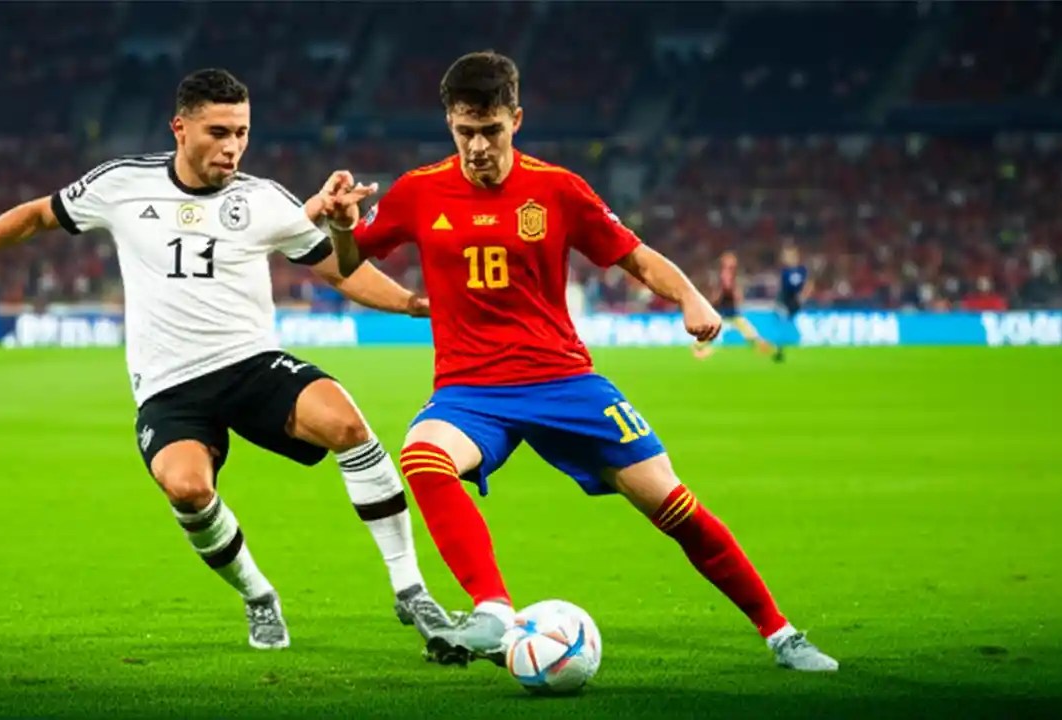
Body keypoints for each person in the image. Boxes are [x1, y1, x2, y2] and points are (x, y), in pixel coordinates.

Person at [321, 51, 838, 672]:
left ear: (517, 118)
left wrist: (691, 295)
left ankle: (780, 632)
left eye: (491, 131)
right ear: (449, 124)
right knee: (423, 455)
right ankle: (491, 610)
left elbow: (637, 257)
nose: (479, 147)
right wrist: (348, 230)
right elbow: (346, 265)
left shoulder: (558, 189)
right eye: (465, 132)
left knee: (671, 504)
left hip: (564, 380)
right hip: (470, 388)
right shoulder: (418, 191)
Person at [0, 68, 451, 650]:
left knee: (348, 422)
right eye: (218, 131)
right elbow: (40, 215)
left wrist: (413, 304)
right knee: (187, 488)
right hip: (170, 384)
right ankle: (258, 595)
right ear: (180, 128)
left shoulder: (265, 199)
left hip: (250, 363)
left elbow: (335, 268)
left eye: (242, 132)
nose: (233, 146)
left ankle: (411, 590)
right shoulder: (122, 184)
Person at [693, 251, 775, 359]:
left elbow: (722, 292)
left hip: (728, 310)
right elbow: (725, 290)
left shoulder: (728, 275)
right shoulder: (725, 275)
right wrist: (733, 295)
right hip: (725, 310)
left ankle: (760, 345)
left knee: (744, 329)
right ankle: (697, 348)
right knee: (743, 329)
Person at [774, 245, 810, 362]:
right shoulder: (785, 272)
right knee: (783, 325)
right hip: (784, 302)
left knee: (793, 324)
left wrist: (803, 297)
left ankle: (792, 345)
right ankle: (780, 349)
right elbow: (782, 288)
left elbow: (807, 285)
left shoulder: (802, 270)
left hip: (796, 303)